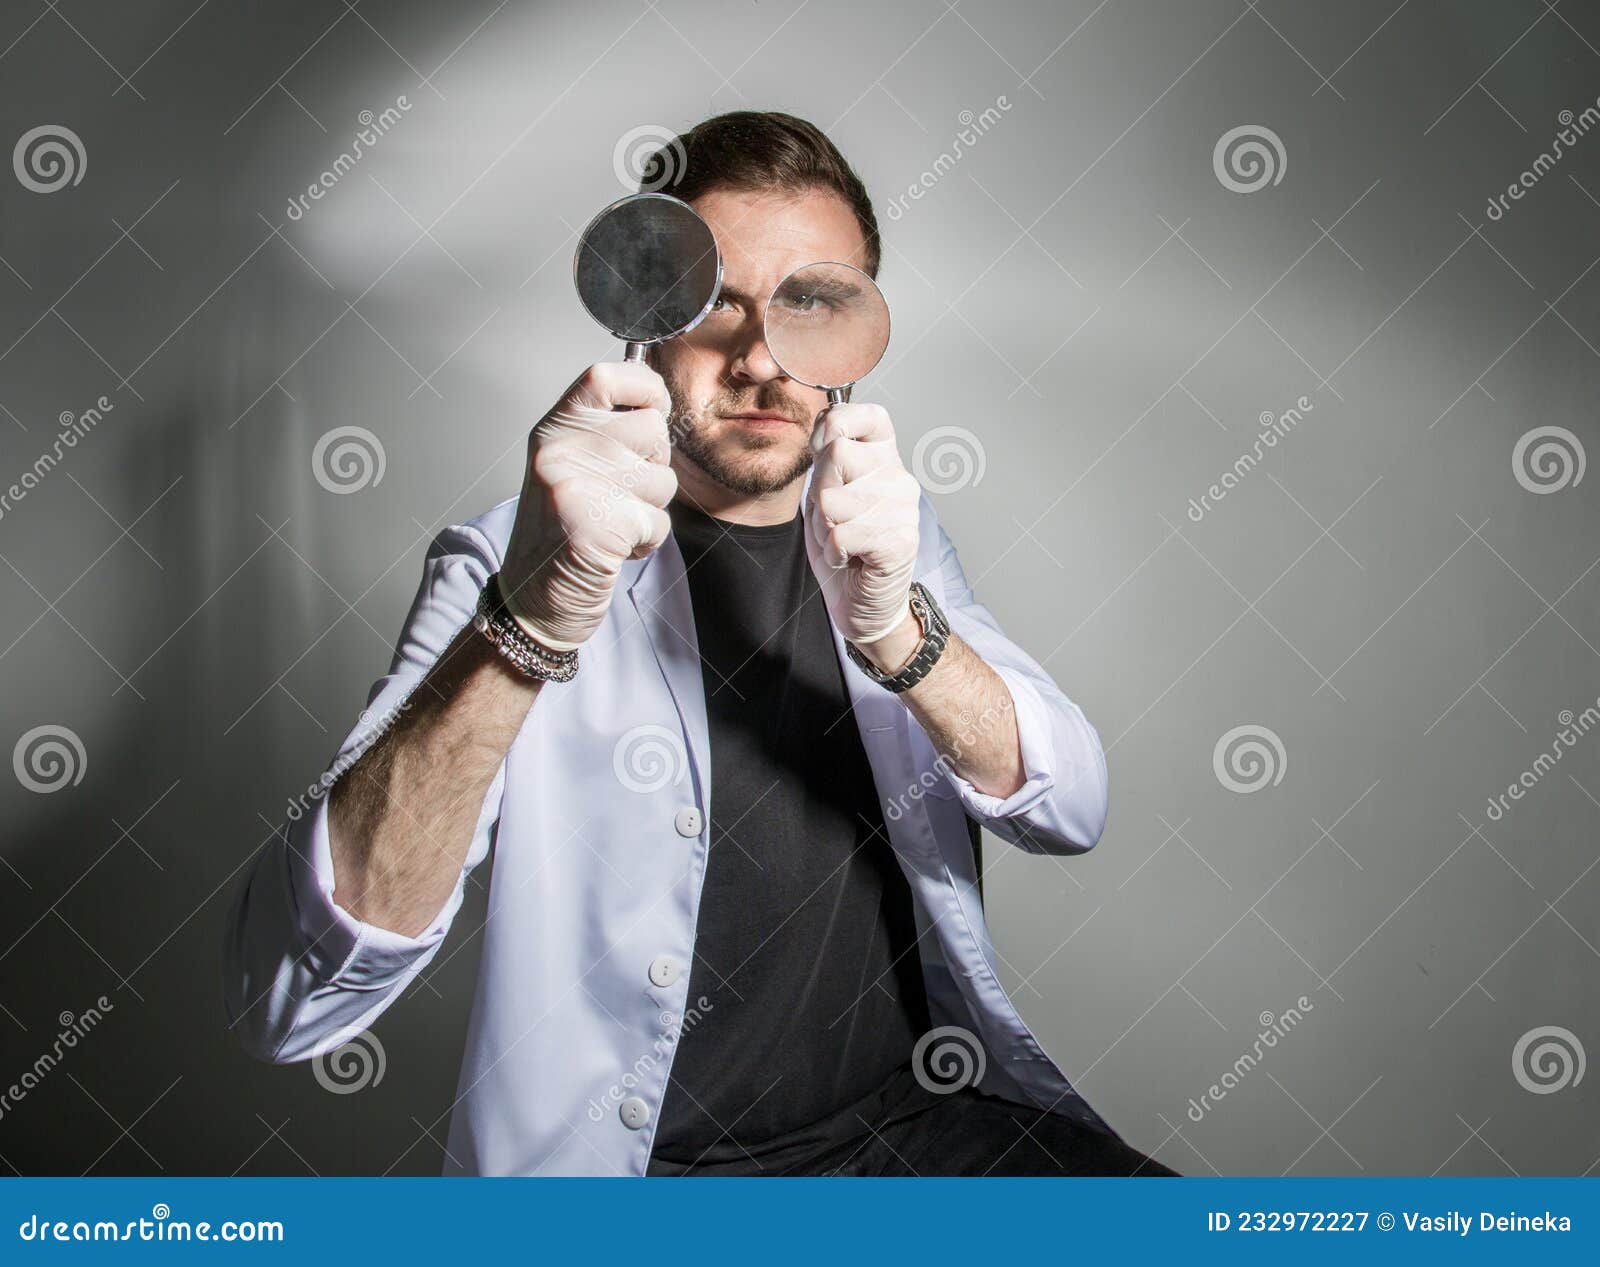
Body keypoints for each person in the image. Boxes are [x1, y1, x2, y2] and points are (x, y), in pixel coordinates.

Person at [222, 110, 1175, 1178]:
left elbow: (1070, 808)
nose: (763, 358)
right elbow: (289, 1001)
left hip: (915, 1137)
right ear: (648, 316)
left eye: (810, 302)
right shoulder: (510, 557)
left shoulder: (882, 536)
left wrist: (904, 635)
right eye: (719, 301)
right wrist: (530, 620)